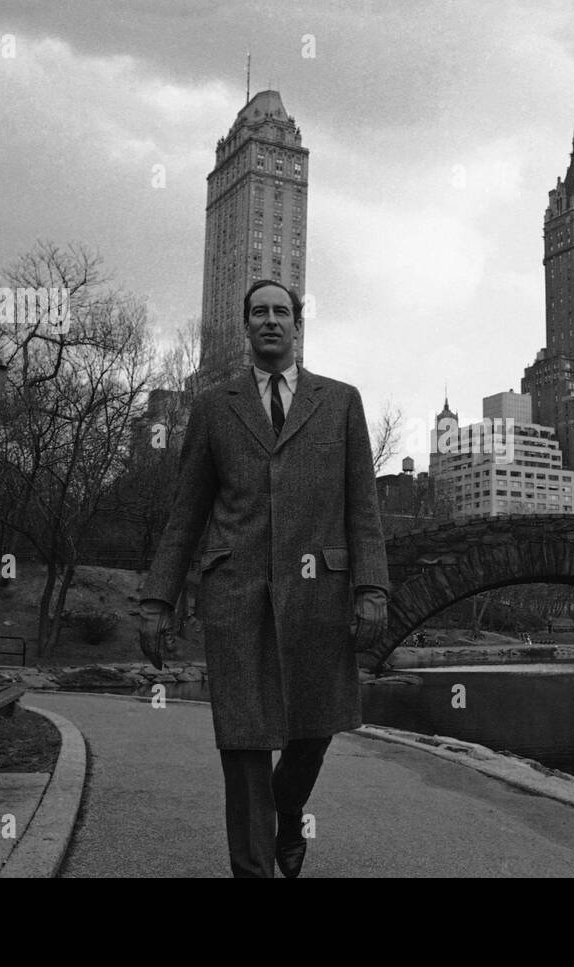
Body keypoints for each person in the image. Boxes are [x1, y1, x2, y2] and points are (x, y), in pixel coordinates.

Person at [138, 279, 389, 878]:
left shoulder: (341, 401)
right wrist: (157, 600)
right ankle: (252, 870)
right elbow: (186, 513)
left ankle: (288, 808)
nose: (270, 321)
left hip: (320, 592)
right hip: (236, 593)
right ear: (246, 327)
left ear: (297, 323)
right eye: (259, 313)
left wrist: (372, 588)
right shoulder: (212, 407)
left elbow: (363, 509)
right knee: (245, 740)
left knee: (318, 722)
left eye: (281, 311)